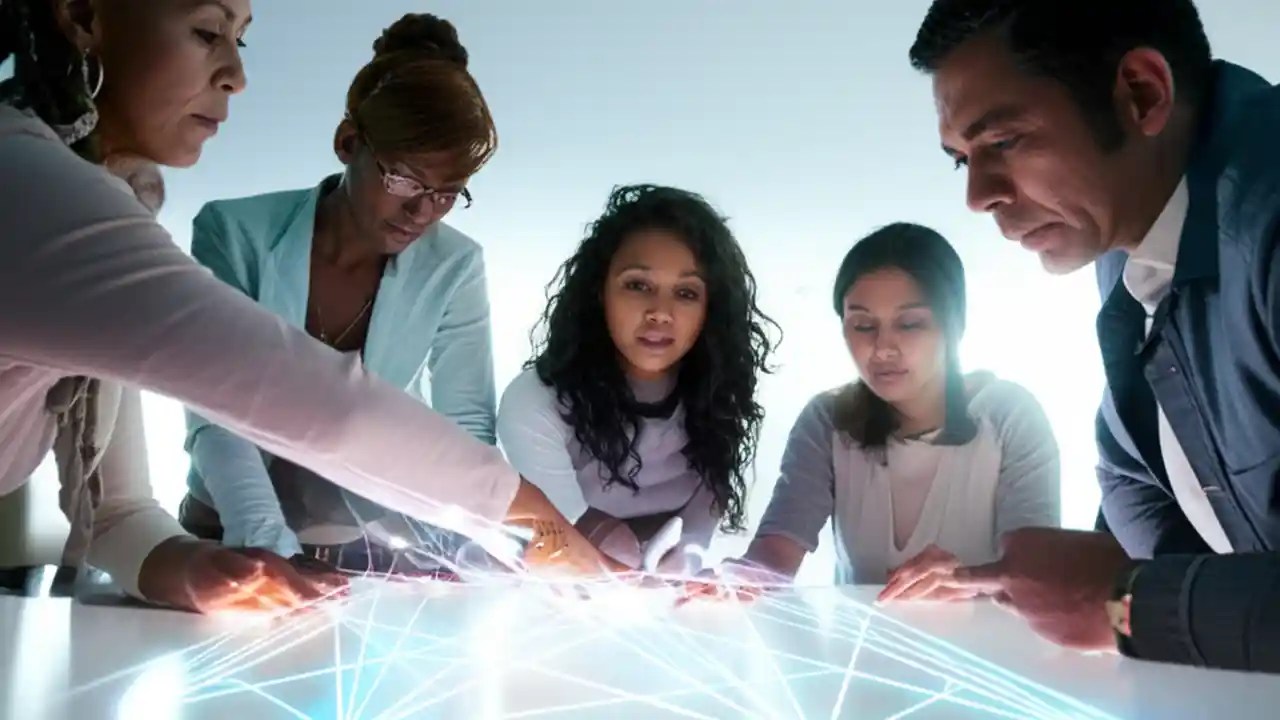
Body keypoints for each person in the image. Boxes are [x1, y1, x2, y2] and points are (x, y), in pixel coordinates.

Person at [0, 0, 609, 614]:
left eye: (241, 38)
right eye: (208, 31)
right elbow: (317, 404)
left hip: (368, 546)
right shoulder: (31, 193)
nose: (237, 72)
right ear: (81, 14)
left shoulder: (98, 200)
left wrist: (197, 570)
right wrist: (542, 528)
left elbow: (116, 511)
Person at [909, 0, 1280, 672]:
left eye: (1003, 141)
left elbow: (1127, 590)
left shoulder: (1264, 215)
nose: (977, 195)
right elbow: (1134, 474)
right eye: (962, 159)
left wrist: (1124, 604)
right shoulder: (1126, 236)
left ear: (1142, 94)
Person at [179, 13, 501, 576]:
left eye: (447, 194)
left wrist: (467, 543)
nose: (421, 212)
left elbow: (465, 428)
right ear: (347, 143)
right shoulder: (233, 232)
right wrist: (265, 548)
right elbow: (215, 407)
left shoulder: (456, 265)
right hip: (228, 529)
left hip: (373, 546)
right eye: (404, 179)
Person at [700, 223, 1060, 599]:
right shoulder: (827, 420)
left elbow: (1035, 570)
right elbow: (775, 554)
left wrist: (966, 578)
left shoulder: (1009, 414)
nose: (883, 348)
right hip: (865, 647)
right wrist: (740, 578)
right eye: (863, 325)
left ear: (954, 325)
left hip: (992, 647)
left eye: (909, 324)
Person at [497, 184, 777, 574]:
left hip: (659, 597)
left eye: (685, 292)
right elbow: (561, 539)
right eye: (638, 285)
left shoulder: (718, 394)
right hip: (555, 587)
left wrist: (683, 569)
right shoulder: (535, 401)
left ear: (710, 309)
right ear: (599, 292)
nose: (660, 312)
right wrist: (634, 576)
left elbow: (696, 531)